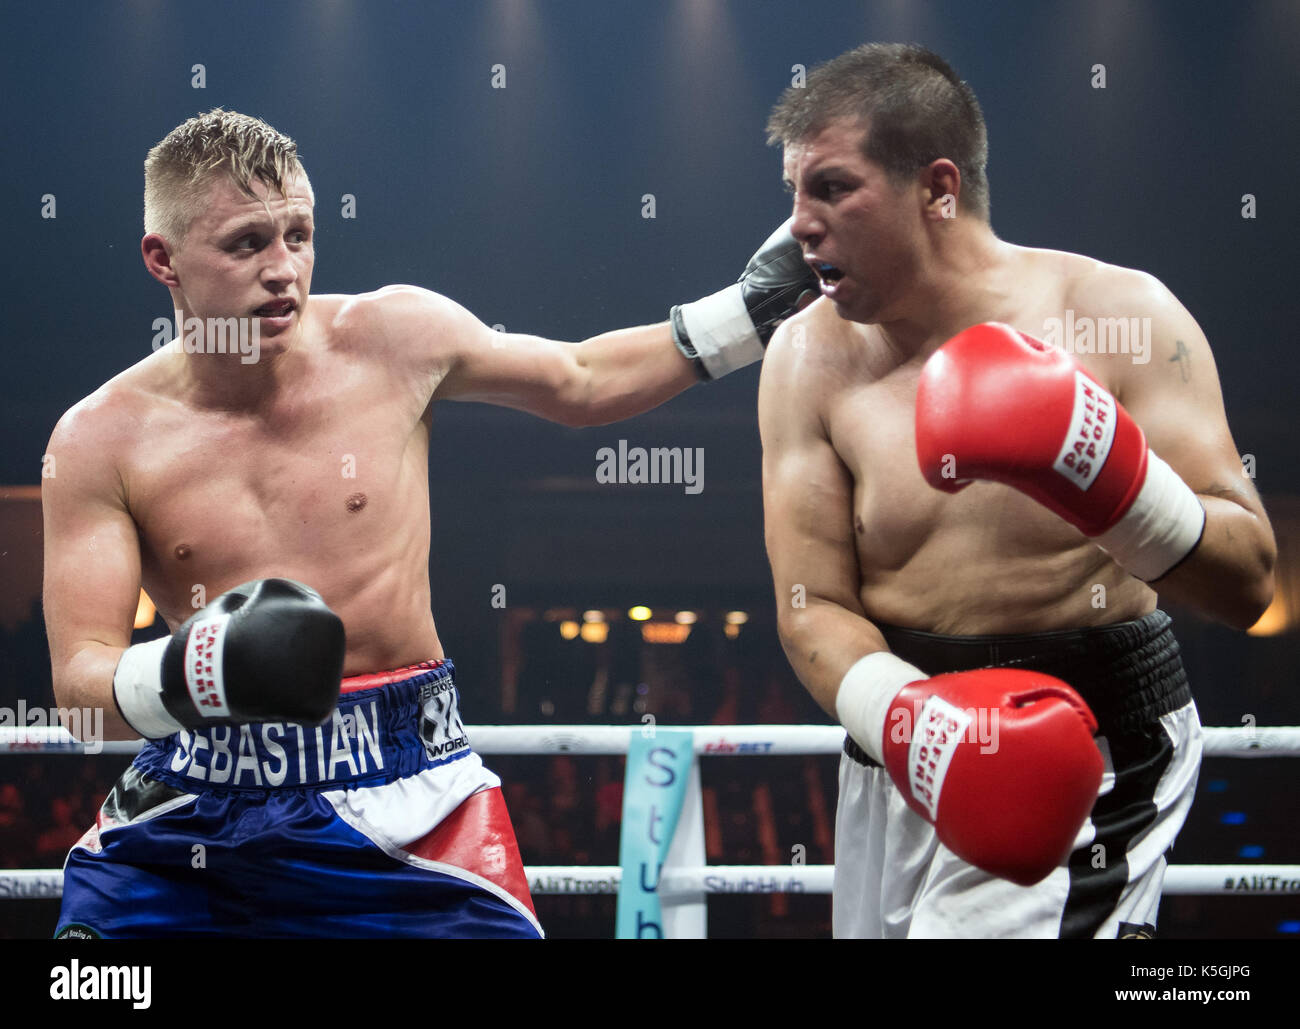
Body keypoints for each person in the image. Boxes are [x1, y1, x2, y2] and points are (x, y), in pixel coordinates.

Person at [42, 108, 816, 938]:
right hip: (198, 808)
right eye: (247, 244)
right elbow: (78, 688)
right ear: (163, 259)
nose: (284, 271)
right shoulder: (101, 438)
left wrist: (749, 312)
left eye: (298, 235)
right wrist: (197, 671)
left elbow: (582, 378)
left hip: (409, 794)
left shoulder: (392, 337)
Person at [759, 44, 1276, 938]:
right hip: (892, 751)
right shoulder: (805, 358)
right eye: (794, 195)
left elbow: (1249, 580)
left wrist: (1108, 478)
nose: (800, 226)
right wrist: (911, 723)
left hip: (1085, 746)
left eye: (833, 189)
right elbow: (812, 609)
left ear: (938, 187)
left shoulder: (1125, 317)